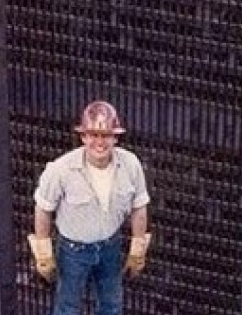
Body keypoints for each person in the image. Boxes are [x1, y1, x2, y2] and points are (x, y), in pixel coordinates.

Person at [28, 100, 151, 315]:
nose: (100, 142)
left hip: (110, 247)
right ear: (83, 136)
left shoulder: (130, 164)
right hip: (73, 252)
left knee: (112, 306)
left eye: (106, 136)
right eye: (93, 135)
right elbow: (43, 208)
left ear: (115, 137)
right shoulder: (61, 169)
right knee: (68, 308)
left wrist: (138, 249)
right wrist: (43, 253)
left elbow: (139, 207)